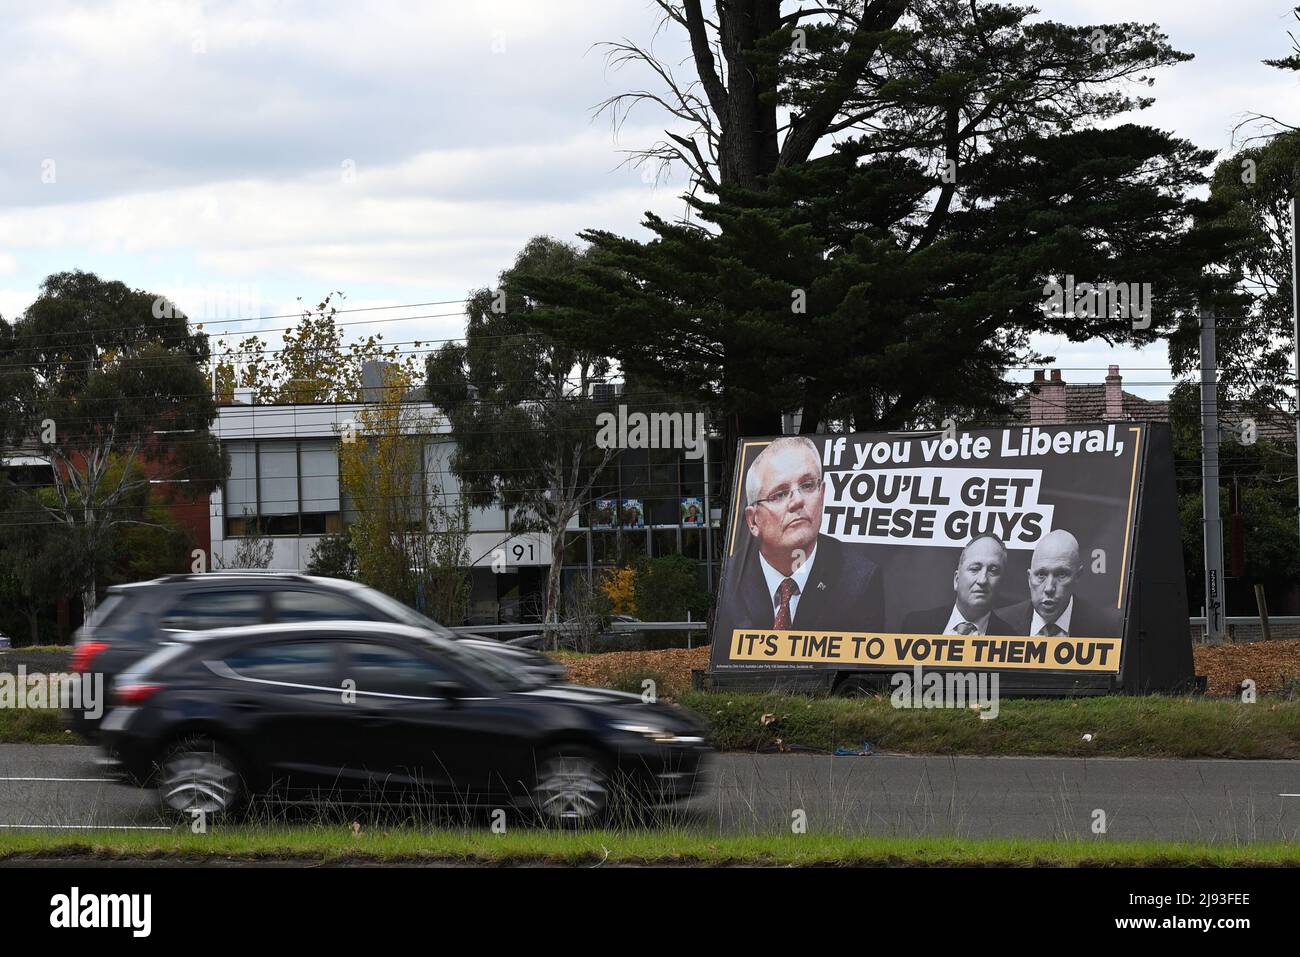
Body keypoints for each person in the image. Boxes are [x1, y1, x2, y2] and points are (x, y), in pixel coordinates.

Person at [714, 436, 884, 636]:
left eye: (807, 485)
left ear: (822, 495)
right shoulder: (731, 582)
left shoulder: (859, 580)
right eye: (779, 494)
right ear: (753, 521)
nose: (797, 501)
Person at [998, 529, 1117, 637]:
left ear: (1077, 576)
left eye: (1061, 575)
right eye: (1041, 575)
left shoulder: (1106, 628)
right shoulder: (1000, 624)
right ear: (1029, 578)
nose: (1049, 588)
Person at [901, 534, 1016, 636]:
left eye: (993, 571)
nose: (982, 580)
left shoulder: (1012, 640)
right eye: (975, 568)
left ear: (1001, 584)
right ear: (957, 580)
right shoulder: (915, 625)